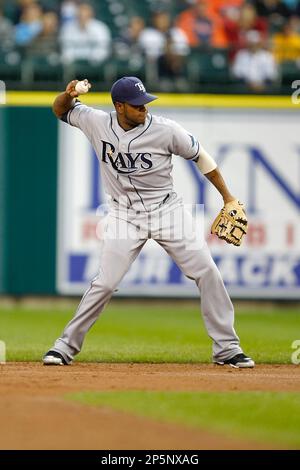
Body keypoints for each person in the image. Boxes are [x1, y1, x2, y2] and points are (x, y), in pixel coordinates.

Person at [43, 76, 255, 369]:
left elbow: (202, 157)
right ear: (119, 106)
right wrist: (67, 95)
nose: (144, 109)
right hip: (122, 214)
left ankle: (228, 349)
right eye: (137, 105)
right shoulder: (95, 122)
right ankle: (64, 347)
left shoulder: (166, 130)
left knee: (207, 271)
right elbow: (60, 110)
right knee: (104, 283)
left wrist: (228, 198)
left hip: (166, 210)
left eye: (145, 103)